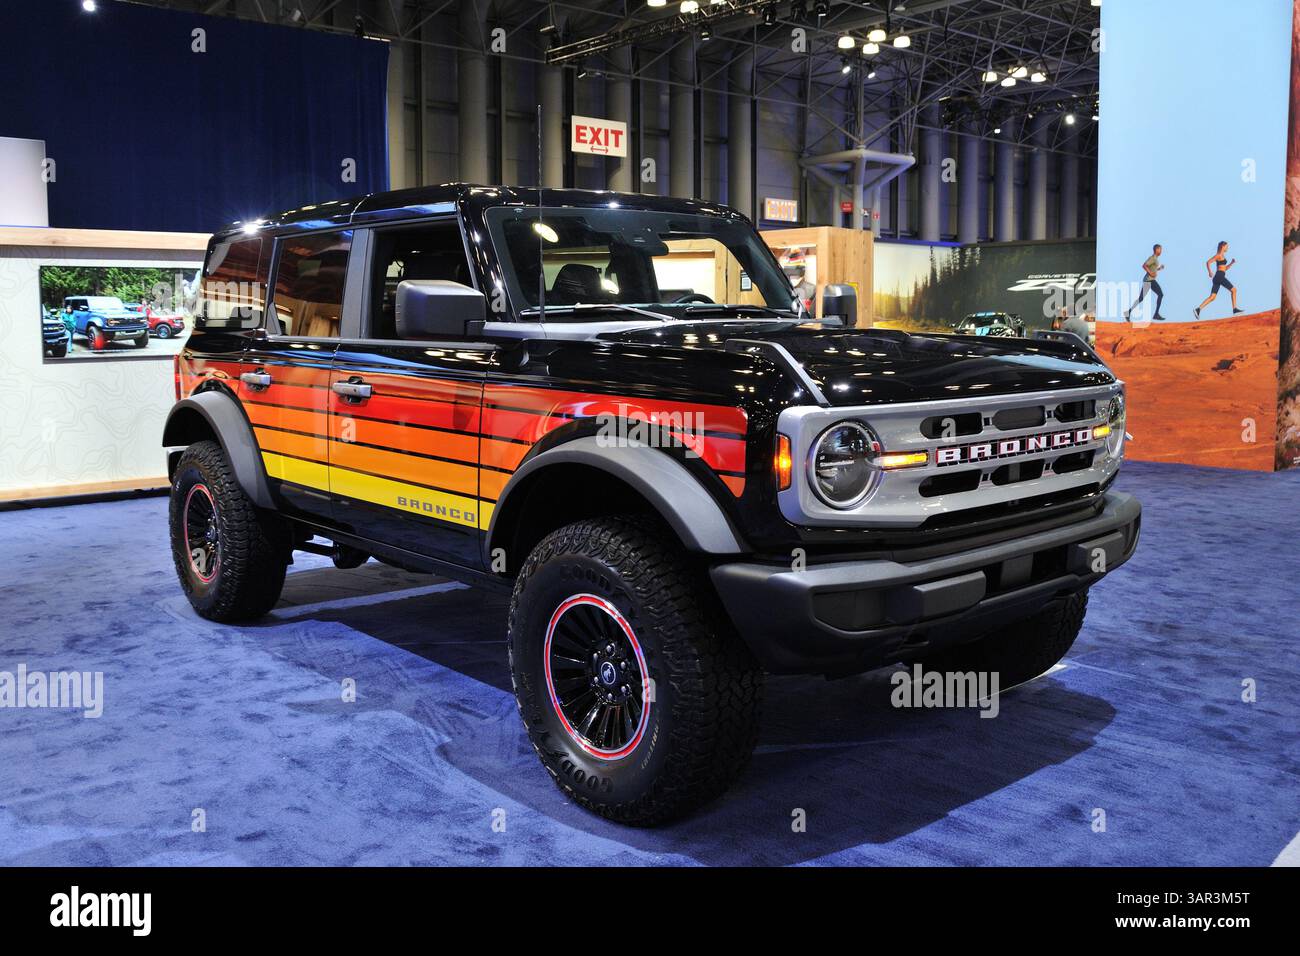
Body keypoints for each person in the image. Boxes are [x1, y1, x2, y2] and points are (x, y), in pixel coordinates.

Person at [1195, 241, 1245, 318]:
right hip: (1219, 276)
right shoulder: (1218, 255)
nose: (1227, 248)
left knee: (1212, 297)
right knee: (1234, 290)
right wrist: (1210, 272)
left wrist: (1231, 263)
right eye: (1226, 246)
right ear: (1223, 246)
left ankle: (1198, 309)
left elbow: (1224, 268)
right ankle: (1234, 309)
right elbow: (1208, 262)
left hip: (1218, 277)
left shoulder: (1222, 256)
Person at [1124, 243, 1165, 321]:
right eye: (1160, 249)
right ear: (1156, 250)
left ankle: (1128, 312)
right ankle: (1156, 314)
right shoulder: (1152, 258)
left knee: (1141, 298)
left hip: (1148, 280)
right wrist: (1150, 273)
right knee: (1160, 294)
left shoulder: (1155, 259)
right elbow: (1144, 265)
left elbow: (1152, 269)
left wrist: (1159, 269)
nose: (1161, 251)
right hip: (1150, 280)